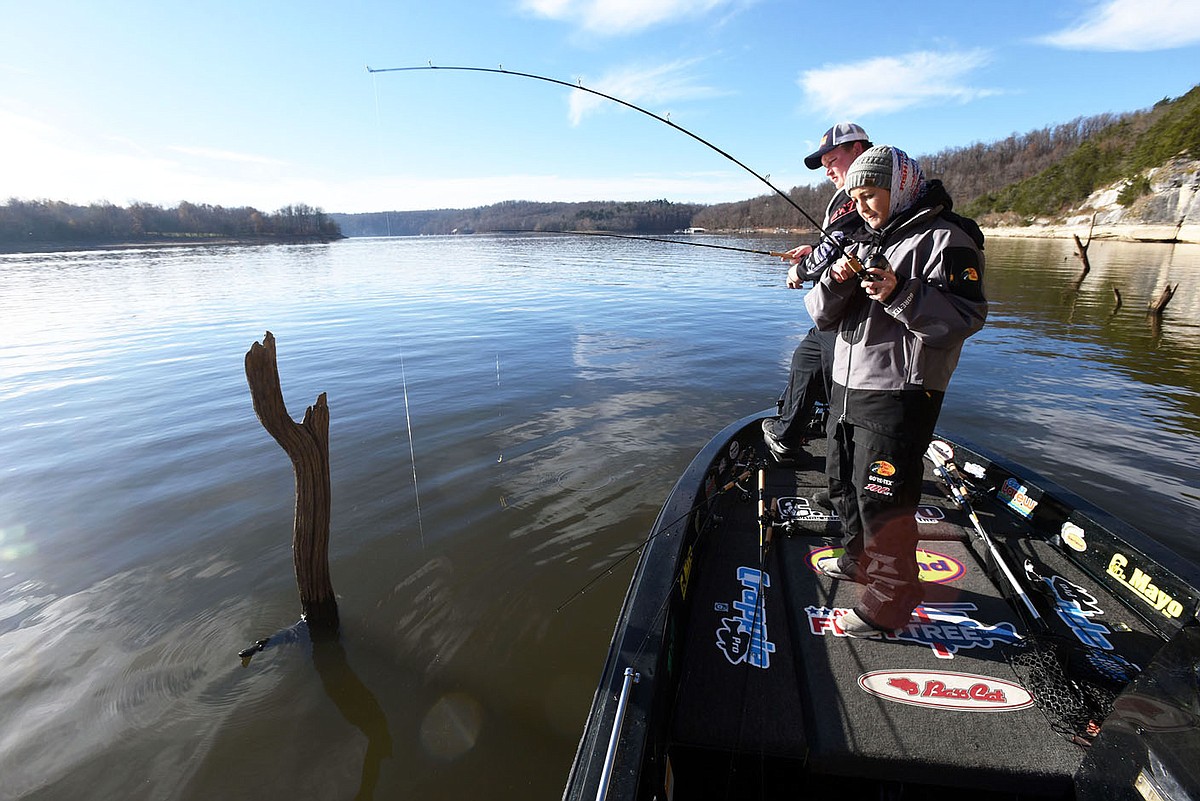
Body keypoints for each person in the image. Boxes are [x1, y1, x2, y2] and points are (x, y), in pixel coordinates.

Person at [805, 145, 987, 638]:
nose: (862, 206)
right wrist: (838, 280)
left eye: (870, 195)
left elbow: (964, 319)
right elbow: (820, 314)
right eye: (855, 197)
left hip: (899, 392)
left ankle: (888, 603)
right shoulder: (862, 239)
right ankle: (859, 560)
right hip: (847, 386)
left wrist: (899, 293)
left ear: (901, 187)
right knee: (844, 482)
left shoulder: (948, 239)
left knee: (884, 499)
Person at [762, 123, 873, 464]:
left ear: (857, 149)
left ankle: (835, 455)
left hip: (860, 313)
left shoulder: (868, 186)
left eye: (832, 158)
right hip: (842, 310)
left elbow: (839, 242)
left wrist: (800, 270)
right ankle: (789, 435)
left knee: (823, 369)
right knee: (808, 359)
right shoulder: (849, 192)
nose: (827, 169)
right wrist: (812, 250)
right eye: (823, 162)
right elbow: (843, 242)